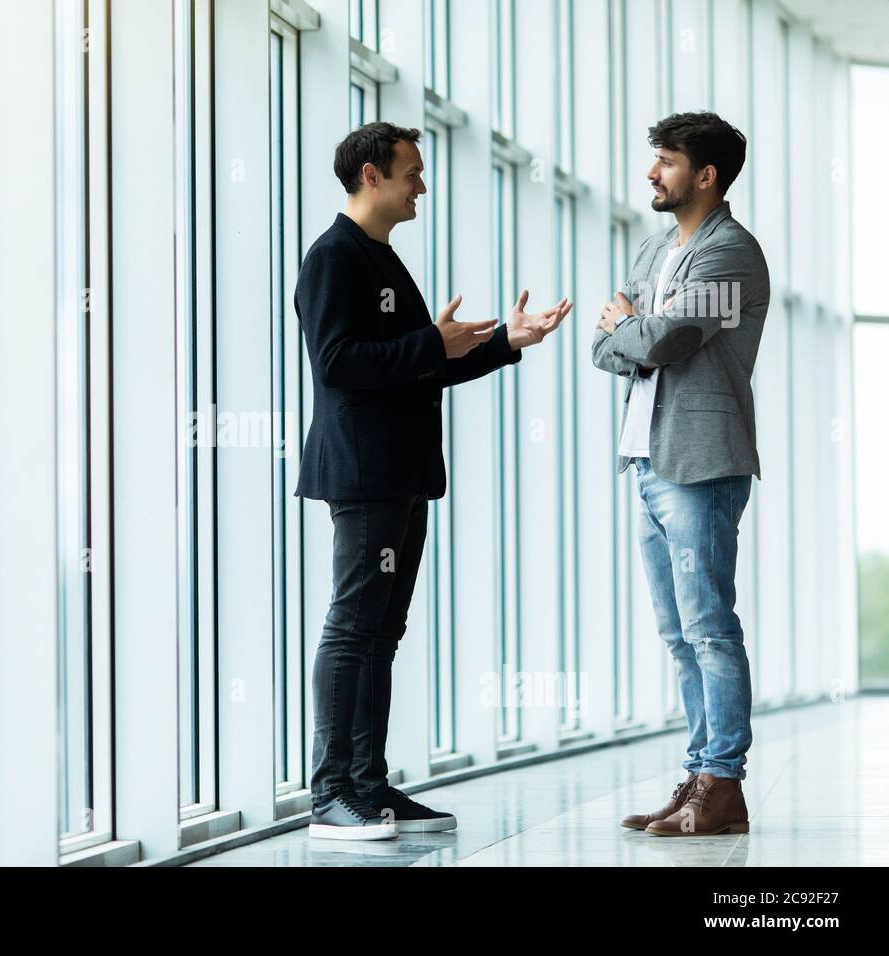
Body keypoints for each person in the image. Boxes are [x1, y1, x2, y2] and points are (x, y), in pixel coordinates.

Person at [295, 121, 571, 840]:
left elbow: (423, 364)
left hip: (402, 475)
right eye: (411, 172)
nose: (422, 185)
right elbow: (337, 364)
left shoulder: (382, 258)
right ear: (370, 175)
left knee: (382, 631)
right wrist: (428, 342)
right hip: (363, 475)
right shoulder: (332, 258)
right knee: (354, 628)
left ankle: (367, 783)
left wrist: (506, 342)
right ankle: (330, 793)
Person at [592, 112, 769, 836]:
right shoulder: (655, 248)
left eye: (664, 161)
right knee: (678, 632)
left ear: (705, 175)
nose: (650, 174)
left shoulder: (731, 254)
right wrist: (626, 332)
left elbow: (663, 339)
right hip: (647, 457)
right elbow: (606, 350)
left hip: (699, 462)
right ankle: (699, 774)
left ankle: (724, 785)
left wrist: (627, 327)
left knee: (709, 628)